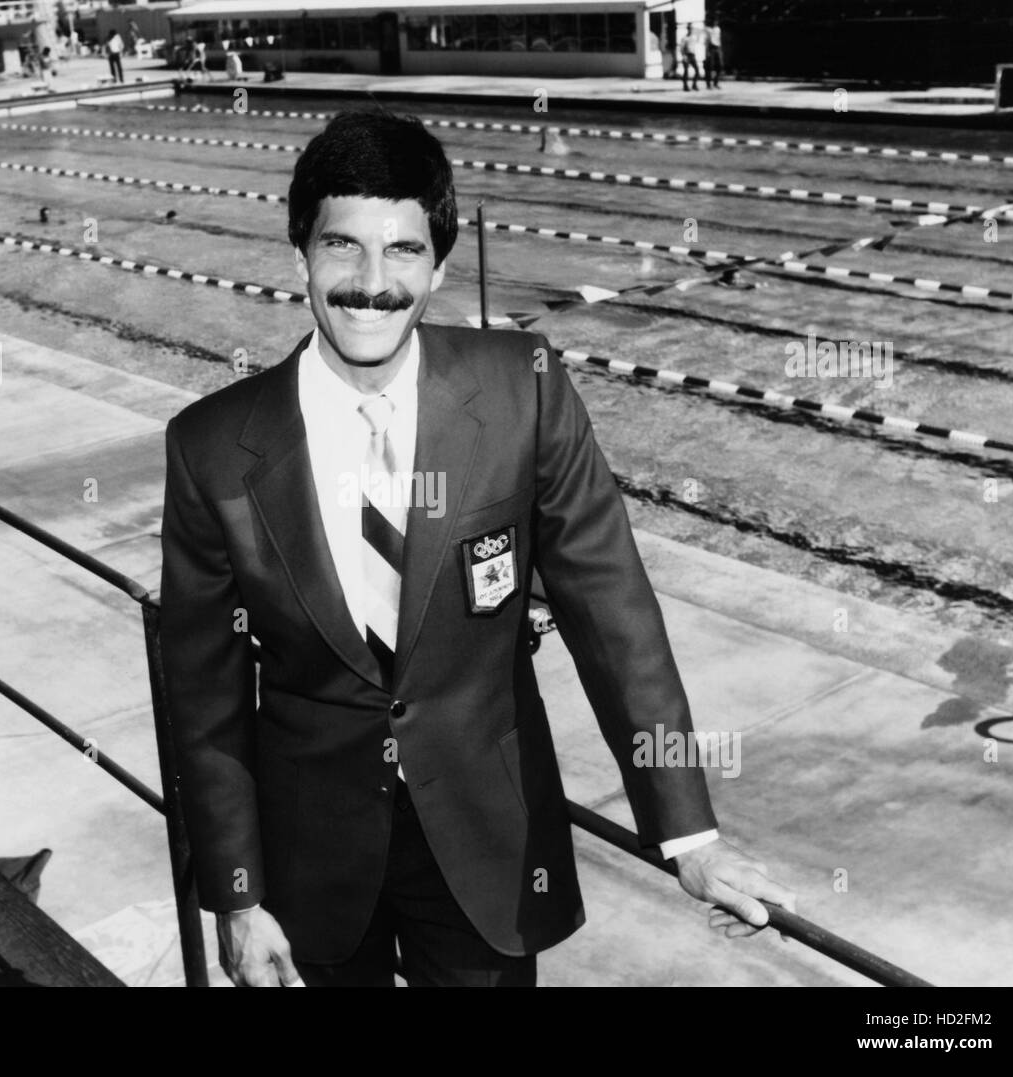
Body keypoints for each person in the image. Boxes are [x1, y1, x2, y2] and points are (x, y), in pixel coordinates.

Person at [159, 110, 796, 988]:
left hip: (489, 841)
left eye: (403, 252)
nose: (371, 284)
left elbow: (612, 610)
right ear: (298, 253)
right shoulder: (212, 446)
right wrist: (236, 893)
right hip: (311, 855)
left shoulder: (523, 390)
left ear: (441, 266)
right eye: (342, 247)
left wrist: (688, 832)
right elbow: (206, 694)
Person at [680, 22, 703, 91]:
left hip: (692, 55)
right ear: (687, 29)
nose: (690, 30)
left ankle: (694, 85)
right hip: (686, 55)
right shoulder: (684, 38)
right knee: (686, 71)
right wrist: (684, 56)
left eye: (691, 28)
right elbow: (681, 48)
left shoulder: (694, 37)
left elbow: (700, 33)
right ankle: (685, 86)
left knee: (697, 70)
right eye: (689, 28)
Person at [705, 20, 724, 89]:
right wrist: (707, 51)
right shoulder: (708, 29)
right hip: (711, 48)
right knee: (710, 67)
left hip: (717, 48)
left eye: (716, 21)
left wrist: (720, 50)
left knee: (720, 66)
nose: (715, 22)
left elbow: (719, 39)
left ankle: (716, 82)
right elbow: (706, 41)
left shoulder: (718, 29)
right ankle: (708, 84)